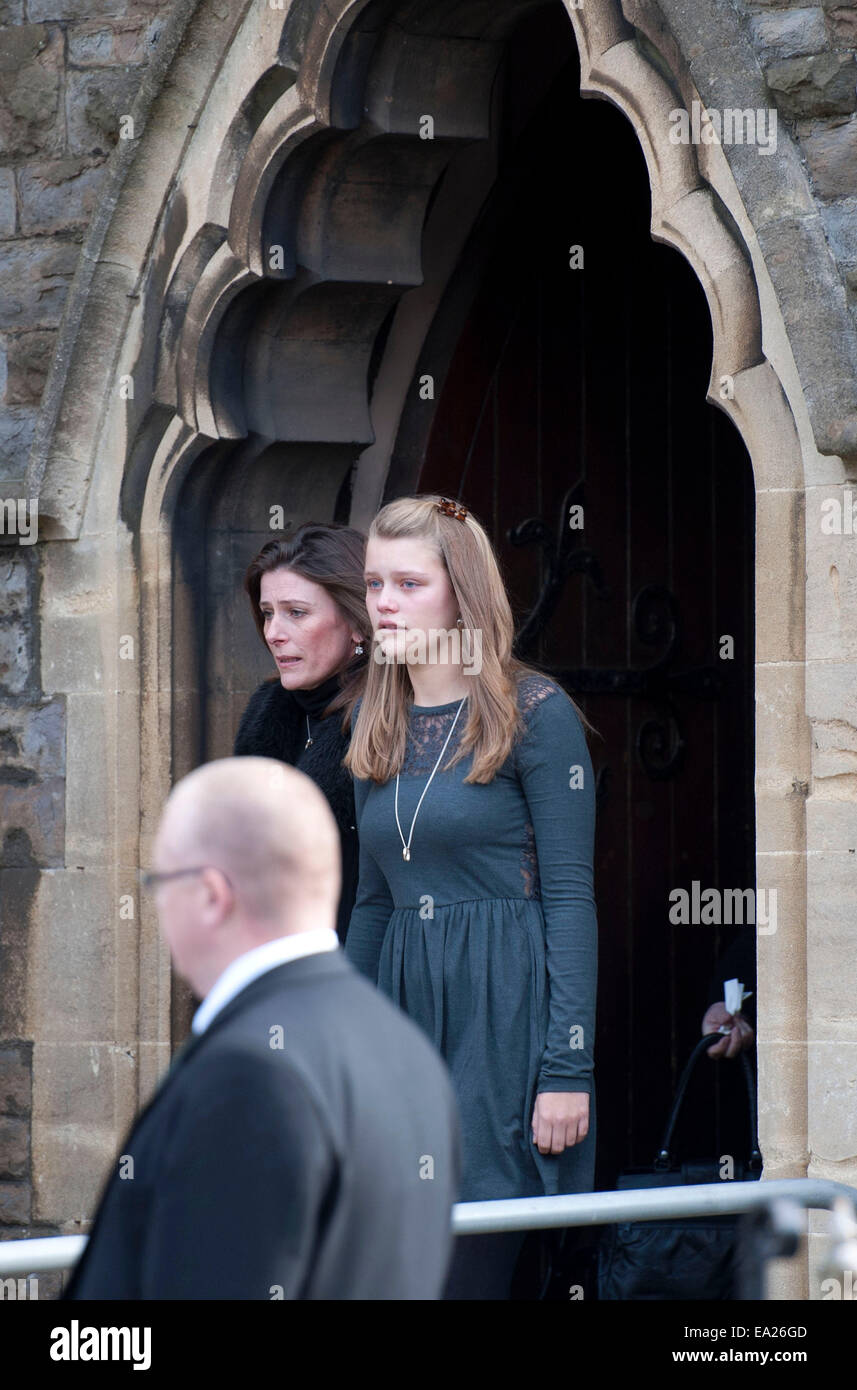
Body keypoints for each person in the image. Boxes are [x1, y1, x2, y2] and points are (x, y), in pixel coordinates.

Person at [65, 756, 461, 1300]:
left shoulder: (248, 1075)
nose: (155, 906)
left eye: (158, 881)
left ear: (210, 895)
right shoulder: (409, 1053)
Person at [343, 494, 600, 1299]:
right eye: (375, 583)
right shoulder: (375, 719)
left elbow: (568, 900)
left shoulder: (532, 713)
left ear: (462, 591)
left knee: (465, 1274)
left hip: (503, 1027)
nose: (384, 602)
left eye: (409, 584)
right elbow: (373, 906)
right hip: (403, 1026)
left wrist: (568, 1067)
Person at [233, 525, 368, 944]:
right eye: (268, 612)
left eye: (296, 612)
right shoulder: (269, 718)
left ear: (357, 623)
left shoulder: (392, 721)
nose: (273, 632)